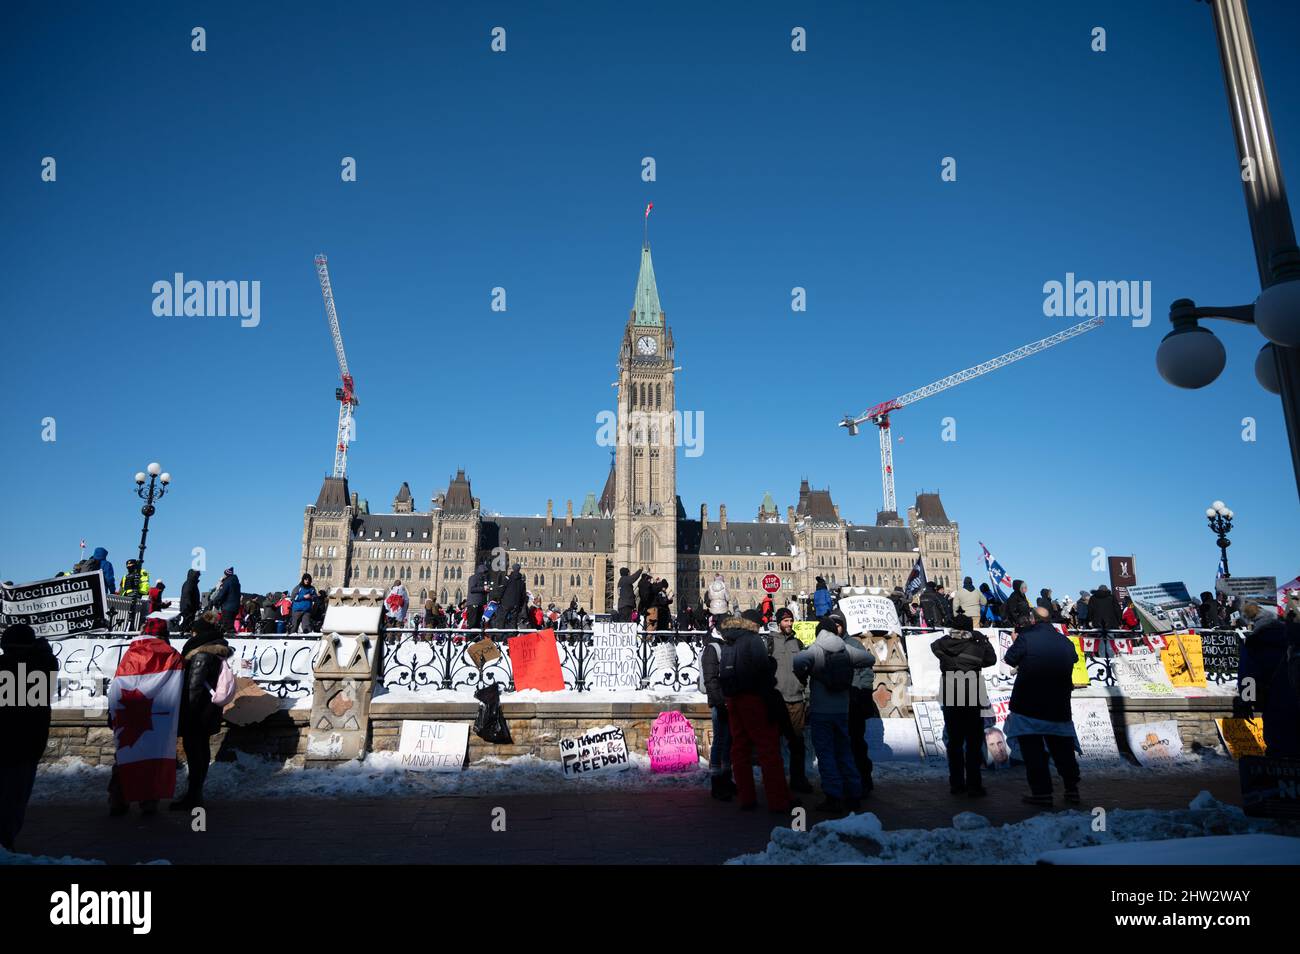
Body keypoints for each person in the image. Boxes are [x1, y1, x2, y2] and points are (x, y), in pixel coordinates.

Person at [793, 608, 872, 813]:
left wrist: (811, 672)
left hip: (821, 710)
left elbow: (798, 662)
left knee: (826, 754)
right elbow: (869, 660)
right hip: (842, 710)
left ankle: (833, 795)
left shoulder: (815, 649)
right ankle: (853, 793)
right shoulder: (845, 649)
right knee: (845, 751)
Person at [1003, 607, 1082, 807]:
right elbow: (1073, 659)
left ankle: (1042, 793)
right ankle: (1072, 789)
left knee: (1034, 752)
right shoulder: (1064, 641)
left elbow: (1010, 659)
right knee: (1063, 750)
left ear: (1032, 619)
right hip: (1058, 705)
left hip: (1029, 705)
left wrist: (1015, 641)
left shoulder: (1026, 638)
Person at [720, 609, 794, 813]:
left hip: (733, 700)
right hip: (754, 698)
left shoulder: (729, 641)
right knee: (768, 749)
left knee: (740, 749)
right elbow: (762, 670)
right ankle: (778, 801)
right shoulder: (752, 640)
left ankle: (747, 797)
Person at [0, 623, 58, 851]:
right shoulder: (42, 666)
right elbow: (49, 660)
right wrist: (40, 647)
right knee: (14, 800)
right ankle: (6, 841)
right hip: (27, 745)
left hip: (9, 742)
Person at [171, 614, 232, 811]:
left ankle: (193, 795)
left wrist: (185, 714)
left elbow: (194, 688)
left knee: (194, 751)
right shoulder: (215, 652)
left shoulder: (201, 655)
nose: (191, 634)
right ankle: (196, 793)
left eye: (194, 631)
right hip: (209, 710)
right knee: (202, 750)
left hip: (196, 713)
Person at [931, 624, 997, 796]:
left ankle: (956, 784)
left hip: (951, 697)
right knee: (974, 744)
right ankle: (974, 785)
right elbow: (991, 660)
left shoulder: (943, 647)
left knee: (954, 743)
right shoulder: (975, 648)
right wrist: (981, 639)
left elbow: (935, 645)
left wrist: (951, 636)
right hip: (972, 698)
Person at [1237, 603, 1299, 757]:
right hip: (1296, 698)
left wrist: (1247, 702)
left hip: (1273, 701)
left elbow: (1247, 676)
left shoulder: (1254, 643)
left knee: (1278, 749)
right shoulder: (1294, 640)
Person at [768, 608, 812, 793]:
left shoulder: (799, 643)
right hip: (777, 701)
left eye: (791, 620)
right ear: (779, 623)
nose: (789, 624)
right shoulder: (770, 643)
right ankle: (775, 783)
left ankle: (798, 779)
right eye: (786, 621)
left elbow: (807, 671)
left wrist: (807, 694)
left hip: (796, 700)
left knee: (797, 743)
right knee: (773, 744)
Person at [699, 615, 736, 801]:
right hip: (720, 702)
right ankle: (716, 782)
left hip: (730, 700)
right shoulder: (712, 648)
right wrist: (719, 703)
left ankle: (726, 777)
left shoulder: (728, 644)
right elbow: (710, 679)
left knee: (729, 741)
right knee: (720, 741)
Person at [842, 627, 879, 794]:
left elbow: (867, 673)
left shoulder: (855, 646)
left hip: (855, 702)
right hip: (837, 704)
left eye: (838, 624)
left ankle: (864, 779)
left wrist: (864, 692)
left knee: (857, 744)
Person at [212, 567, 241, 632]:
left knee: (227, 626)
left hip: (228, 607)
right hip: (235, 607)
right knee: (227, 623)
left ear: (227, 575)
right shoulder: (236, 582)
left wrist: (215, 601)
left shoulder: (227, 582)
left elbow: (222, 593)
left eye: (224, 574)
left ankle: (230, 638)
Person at [499, 565, 527, 629]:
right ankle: (512, 636)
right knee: (513, 621)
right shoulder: (522, 581)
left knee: (502, 619)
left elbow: (501, 590)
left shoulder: (507, 579)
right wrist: (520, 605)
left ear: (513, 569)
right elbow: (523, 595)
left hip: (505, 603)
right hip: (516, 604)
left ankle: (500, 636)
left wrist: (498, 599)